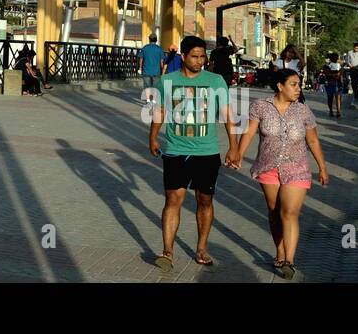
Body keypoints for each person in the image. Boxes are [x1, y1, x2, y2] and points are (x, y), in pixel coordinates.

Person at [227, 69, 328, 280]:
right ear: (280, 86)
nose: (298, 88)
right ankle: (280, 251)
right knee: (274, 211)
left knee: (289, 212)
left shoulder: (304, 111)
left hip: (297, 168)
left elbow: (313, 141)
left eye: (299, 84)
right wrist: (238, 154)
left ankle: (289, 260)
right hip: (268, 166)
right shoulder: (260, 106)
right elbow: (250, 132)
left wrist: (322, 167)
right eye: (293, 84)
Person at [148, 35, 239, 270]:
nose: (200, 61)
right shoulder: (167, 81)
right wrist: (153, 137)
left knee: (204, 200)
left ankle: (201, 248)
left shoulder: (216, 81)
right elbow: (159, 111)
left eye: (203, 57)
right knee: (173, 199)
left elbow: (228, 115)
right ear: (183, 56)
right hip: (175, 150)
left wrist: (234, 146)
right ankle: (167, 251)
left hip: (207, 152)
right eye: (195, 57)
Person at [138, 33, 165, 103]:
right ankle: (153, 99)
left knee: (147, 86)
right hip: (156, 71)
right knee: (155, 86)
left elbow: (141, 59)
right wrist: (163, 70)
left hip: (146, 70)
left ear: (149, 40)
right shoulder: (160, 49)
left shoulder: (145, 48)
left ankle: (148, 99)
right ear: (156, 40)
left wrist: (140, 68)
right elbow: (161, 62)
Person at [321, 52, 344, 118]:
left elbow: (340, 73)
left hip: (334, 83)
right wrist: (336, 75)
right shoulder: (328, 65)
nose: (335, 59)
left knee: (335, 97)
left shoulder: (337, 65)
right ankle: (334, 111)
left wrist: (337, 75)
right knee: (334, 97)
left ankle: (336, 111)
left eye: (336, 58)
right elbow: (327, 73)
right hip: (333, 83)